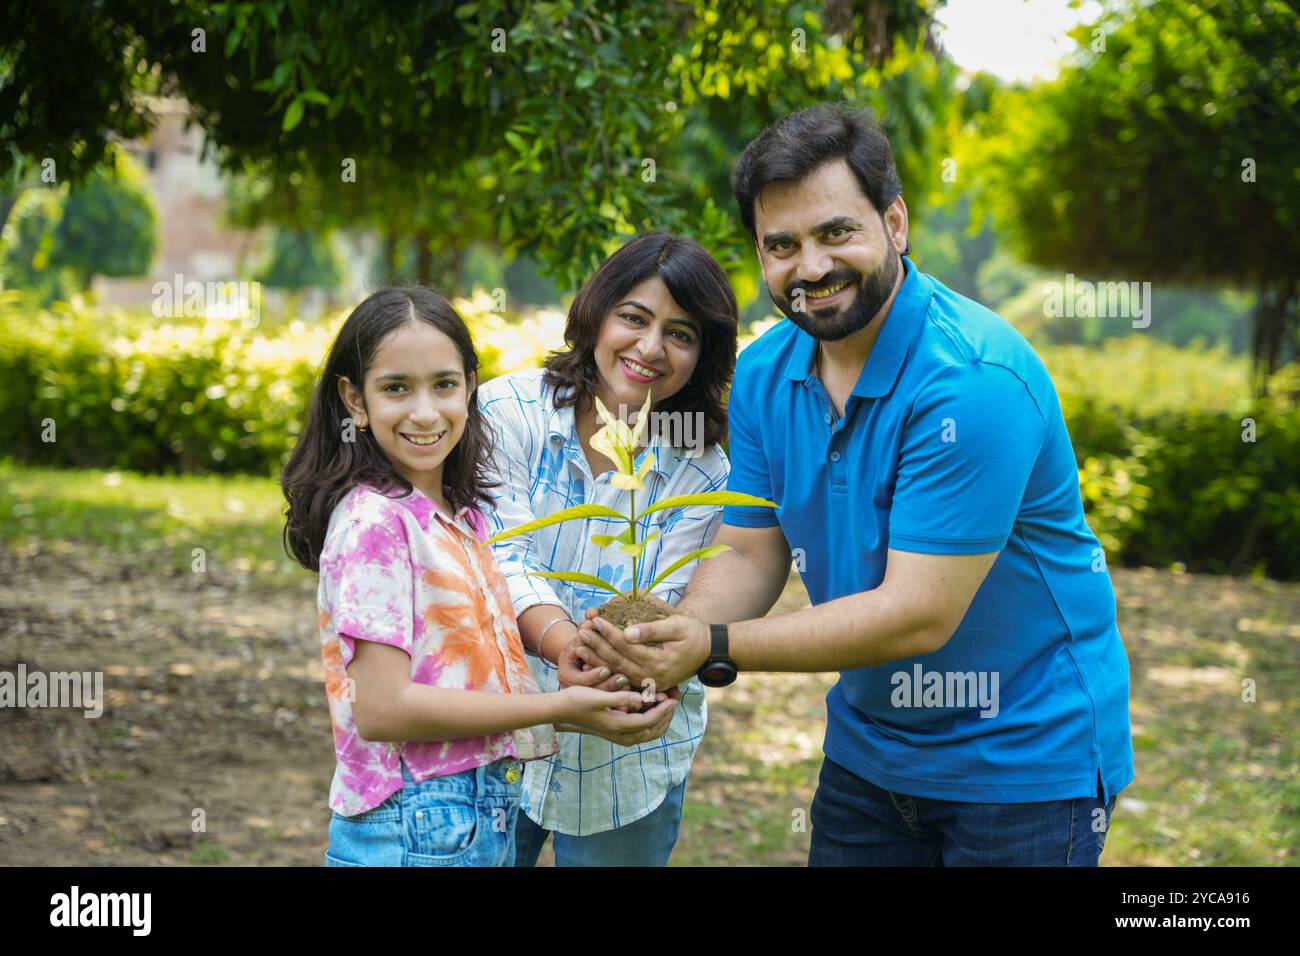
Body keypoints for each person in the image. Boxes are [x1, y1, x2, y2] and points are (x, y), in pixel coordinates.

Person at [578, 103, 1136, 866]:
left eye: (836, 232)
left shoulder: (971, 384)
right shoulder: (769, 374)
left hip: (1025, 758)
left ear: (895, 224)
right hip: (871, 753)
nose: (810, 268)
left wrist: (712, 645)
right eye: (781, 246)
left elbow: (916, 616)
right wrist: (673, 641)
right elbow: (748, 552)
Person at [280, 286, 675, 867]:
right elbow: (384, 709)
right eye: (396, 388)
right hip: (410, 825)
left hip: (468, 815)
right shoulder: (375, 522)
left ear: (470, 386)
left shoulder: (460, 516)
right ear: (354, 400)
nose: (424, 411)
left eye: (444, 384)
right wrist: (556, 707)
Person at [479, 232, 739, 866]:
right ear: (595, 315)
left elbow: (675, 603)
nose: (650, 348)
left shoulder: (705, 469)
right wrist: (564, 641)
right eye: (634, 317)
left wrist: (643, 665)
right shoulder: (508, 412)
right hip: (493, 730)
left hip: (627, 757)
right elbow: (499, 553)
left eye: (681, 334)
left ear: (703, 354)